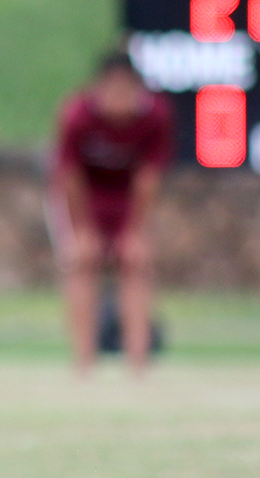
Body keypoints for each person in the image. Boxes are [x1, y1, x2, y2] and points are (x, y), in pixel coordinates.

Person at [48, 51, 173, 379]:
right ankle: (84, 360)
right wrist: (82, 230)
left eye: (126, 91)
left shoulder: (155, 116)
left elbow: (149, 179)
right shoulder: (77, 115)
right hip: (85, 198)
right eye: (112, 91)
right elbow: (69, 177)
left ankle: (138, 361)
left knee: (135, 263)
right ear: (98, 88)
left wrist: (136, 231)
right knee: (82, 261)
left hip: (128, 200)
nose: (119, 100)